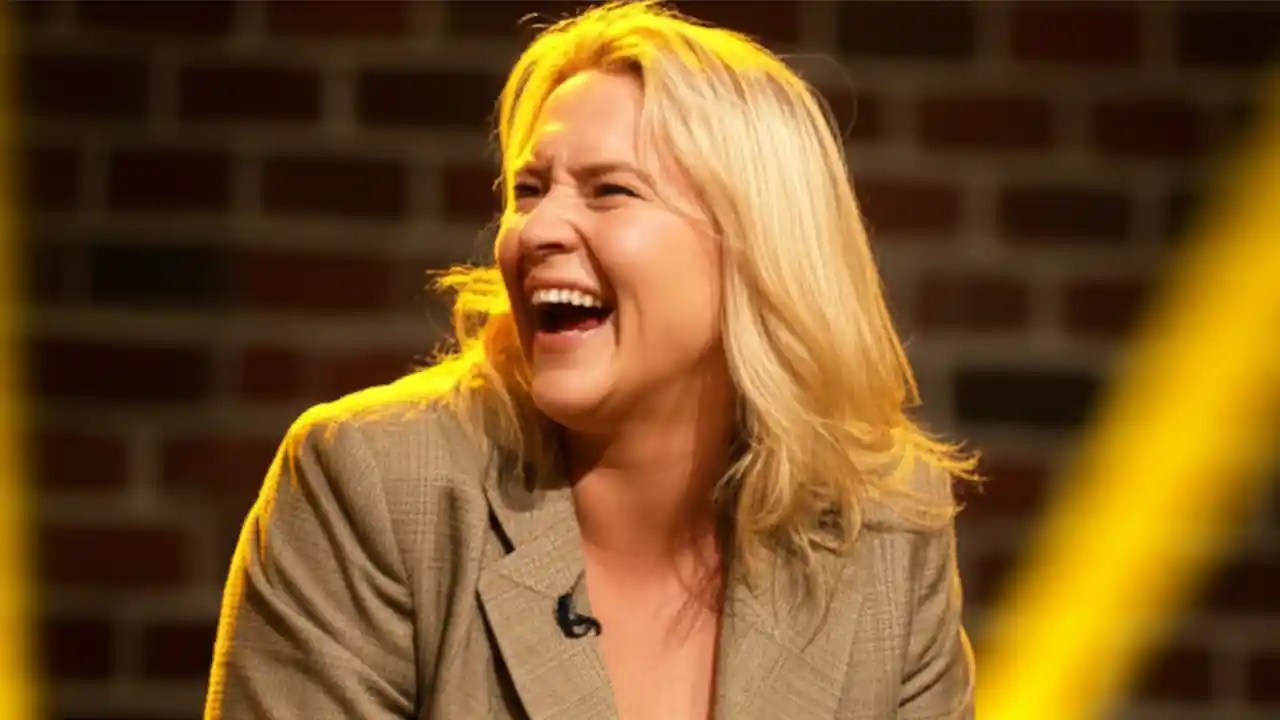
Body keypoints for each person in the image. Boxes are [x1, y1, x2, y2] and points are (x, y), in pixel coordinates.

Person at [204, 2, 980, 718]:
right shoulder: (375, 487)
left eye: (610, 191)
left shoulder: (881, 532)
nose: (539, 231)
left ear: (755, 250)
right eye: (531, 189)